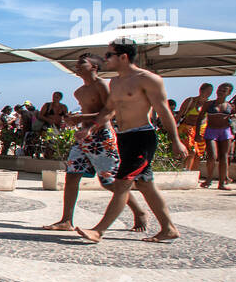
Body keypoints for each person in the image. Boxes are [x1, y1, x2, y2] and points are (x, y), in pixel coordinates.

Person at [75, 39, 186, 243]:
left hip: (142, 137)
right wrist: (90, 128)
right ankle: (168, 228)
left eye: (109, 55)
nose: (105, 59)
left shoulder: (148, 79)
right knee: (145, 184)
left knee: (121, 184)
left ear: (123, 57)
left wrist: (176, 141)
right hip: (124, 137)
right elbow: (109, 109)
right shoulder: (115, 82)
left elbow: (164, 111)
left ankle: (99, 231)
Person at [42, 53, 149, 232]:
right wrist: (75, 120)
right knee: (72, 175)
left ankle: (139, 211)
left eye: (81, 63)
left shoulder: (101, 85)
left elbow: (111, 111)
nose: (77, 66)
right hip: (84, 137)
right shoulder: (79, 92)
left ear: (94, 67)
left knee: (109, 181)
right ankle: (66, 220)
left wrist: (82, 119)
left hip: (102, 136)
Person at [199, 82, 236, 190]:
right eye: (219, 89)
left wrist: (234, 131)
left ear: (228, 93)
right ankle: (209, 179)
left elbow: (234, 120)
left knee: (224, 157)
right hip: (211, 131)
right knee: (212, 156)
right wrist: (197, 133)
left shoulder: (230, 106)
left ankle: (222, 182)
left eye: (224, 91)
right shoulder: (209, 104)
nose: (220, 92)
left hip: (225, 131)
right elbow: (200, 118)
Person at [175, 83, 213, 176]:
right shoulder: (191, 101)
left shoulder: (209, 103)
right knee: (191, 151)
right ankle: (186, 170)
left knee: (198, 154)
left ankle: (194, 173)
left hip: (201, 130)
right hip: (187, 128)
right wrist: (172, 129)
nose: (209, 93)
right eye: (207, 91)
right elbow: (179, 115)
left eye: (210, 92)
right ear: (201, 90)